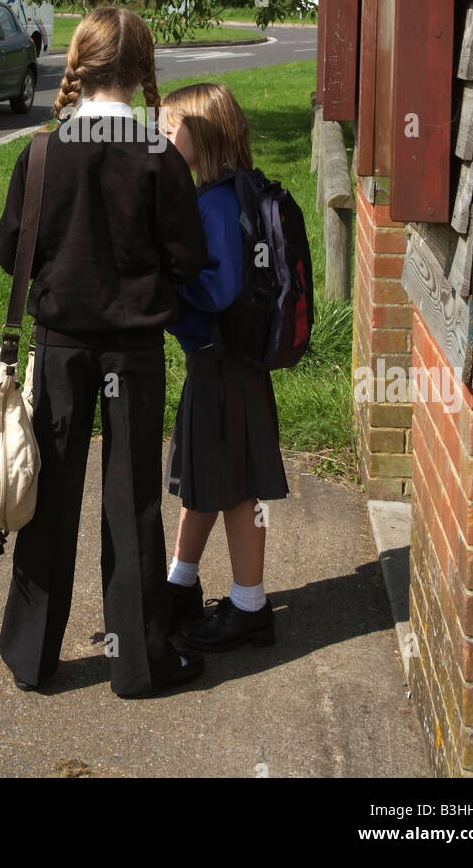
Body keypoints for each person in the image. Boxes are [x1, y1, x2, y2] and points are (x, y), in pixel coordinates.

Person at [0, 6, 209, 698]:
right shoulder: (159, 159)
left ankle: (32, 657)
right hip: (135, 352)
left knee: (48, 498)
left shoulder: (41, 153)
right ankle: (140, 663)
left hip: (59, 347)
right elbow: (188, 256)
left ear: (77, 68)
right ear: (143, 70)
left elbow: (9, 251)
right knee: (132, 503)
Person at [158, 82, 289, 651]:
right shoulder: (228, 192)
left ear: (203, 136)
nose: (161, 135)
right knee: (210, 477)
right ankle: (180, 583)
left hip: (223, 364)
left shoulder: (214, 203)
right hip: (227, 362)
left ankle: (249, 606)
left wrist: (162, 286)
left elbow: (219, 288)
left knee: (236, 489)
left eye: (170, 127)